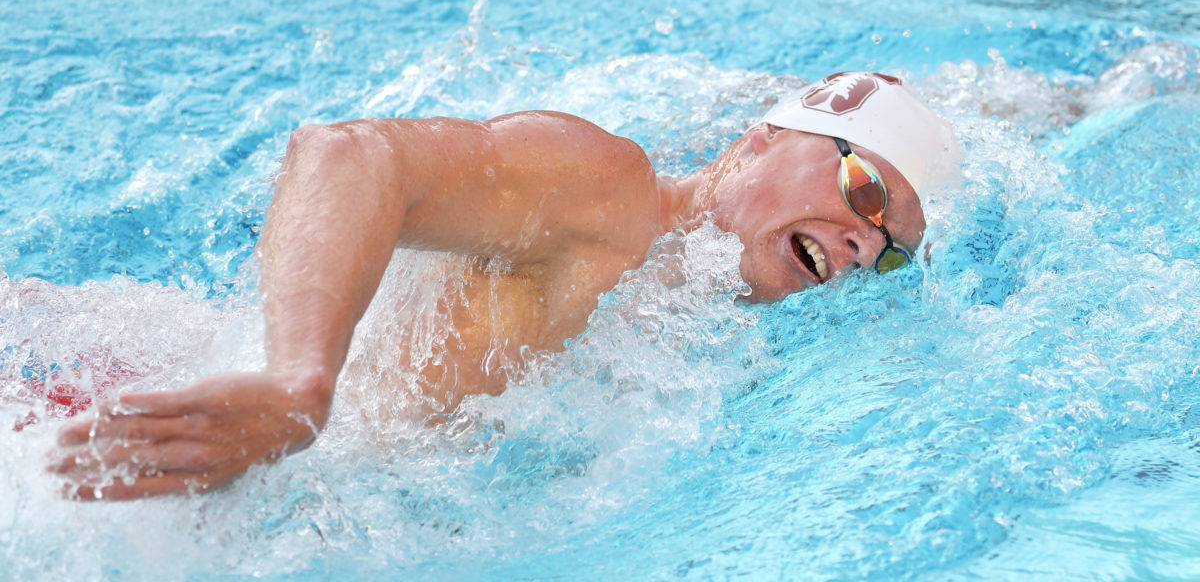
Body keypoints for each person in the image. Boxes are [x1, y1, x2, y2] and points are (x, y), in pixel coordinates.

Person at [49, 71, 960, 500]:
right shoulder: (608, 195)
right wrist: (298, 385)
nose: (855, 241)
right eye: (862, 188)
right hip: (128, 403)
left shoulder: (711, 342)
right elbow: (346, 154)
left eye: (884, 250)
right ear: (764, 136)